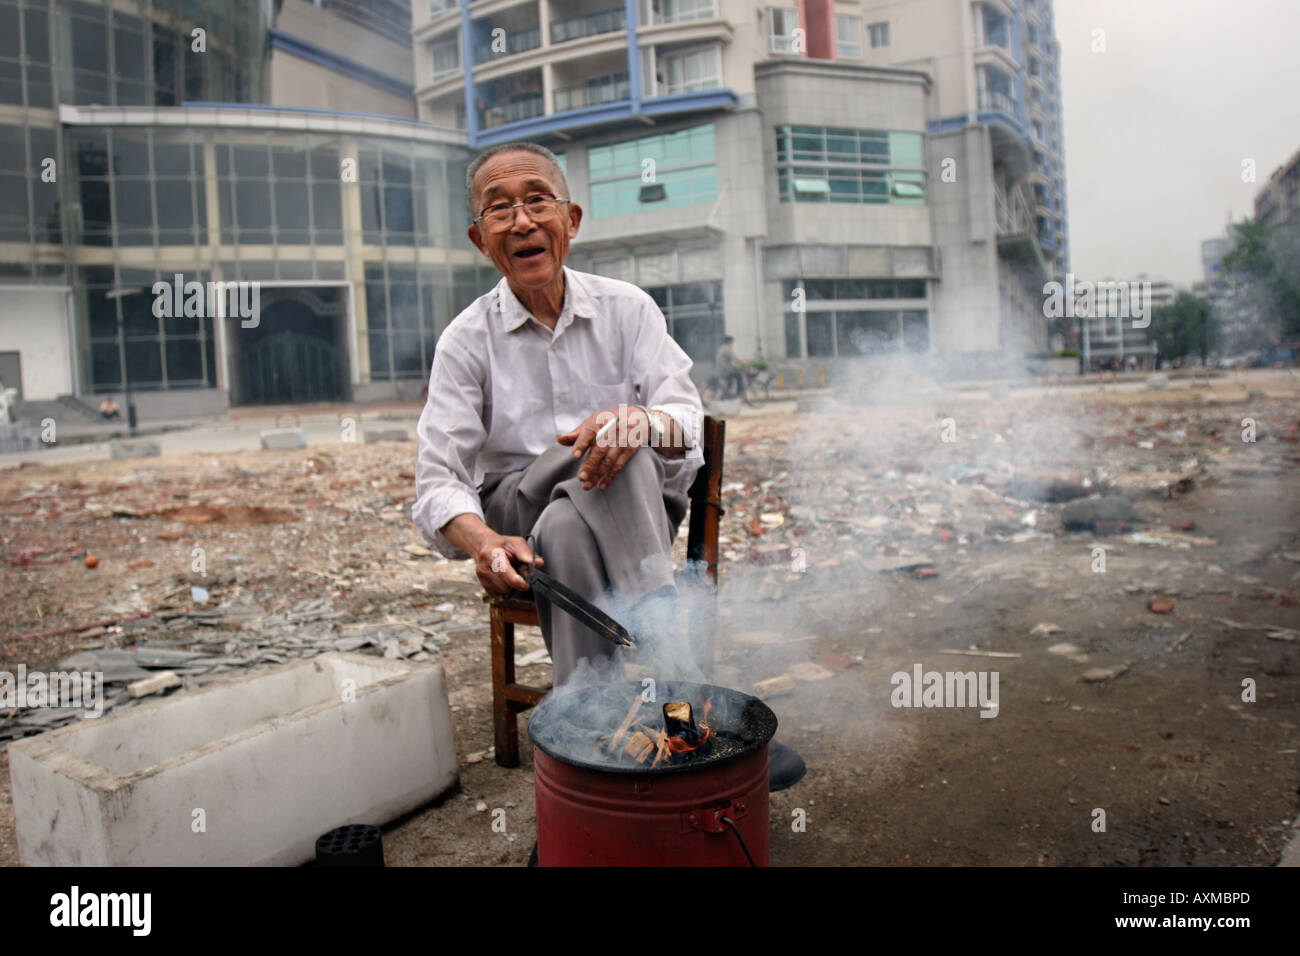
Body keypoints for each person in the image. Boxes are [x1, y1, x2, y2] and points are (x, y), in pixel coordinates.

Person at [411, 142, 703, 686]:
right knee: (608, 455)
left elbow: (687, 424)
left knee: (583, 503)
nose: (522, 222)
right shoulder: (465, 341)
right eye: (500, 209)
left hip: (635, 516)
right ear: (480, 240)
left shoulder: (629, 309)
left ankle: (589, 719)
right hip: (519, 517)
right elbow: (437, 482)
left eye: (538, 201)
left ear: (571, 220)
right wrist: (484, 542)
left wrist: (638, 423)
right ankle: (676, 676)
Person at [714, 335, 749, 399]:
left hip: (721, 369)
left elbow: (728, 361)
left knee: (732, 376)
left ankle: (729, 391)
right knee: (739, 375)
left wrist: (735, 366)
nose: (732, 344)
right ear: (729, 342)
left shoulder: (722, 348)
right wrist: (746, 363)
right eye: (732, 342)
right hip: (725, 370)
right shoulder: (727, 349)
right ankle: (739, 392)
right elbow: (736, 359)